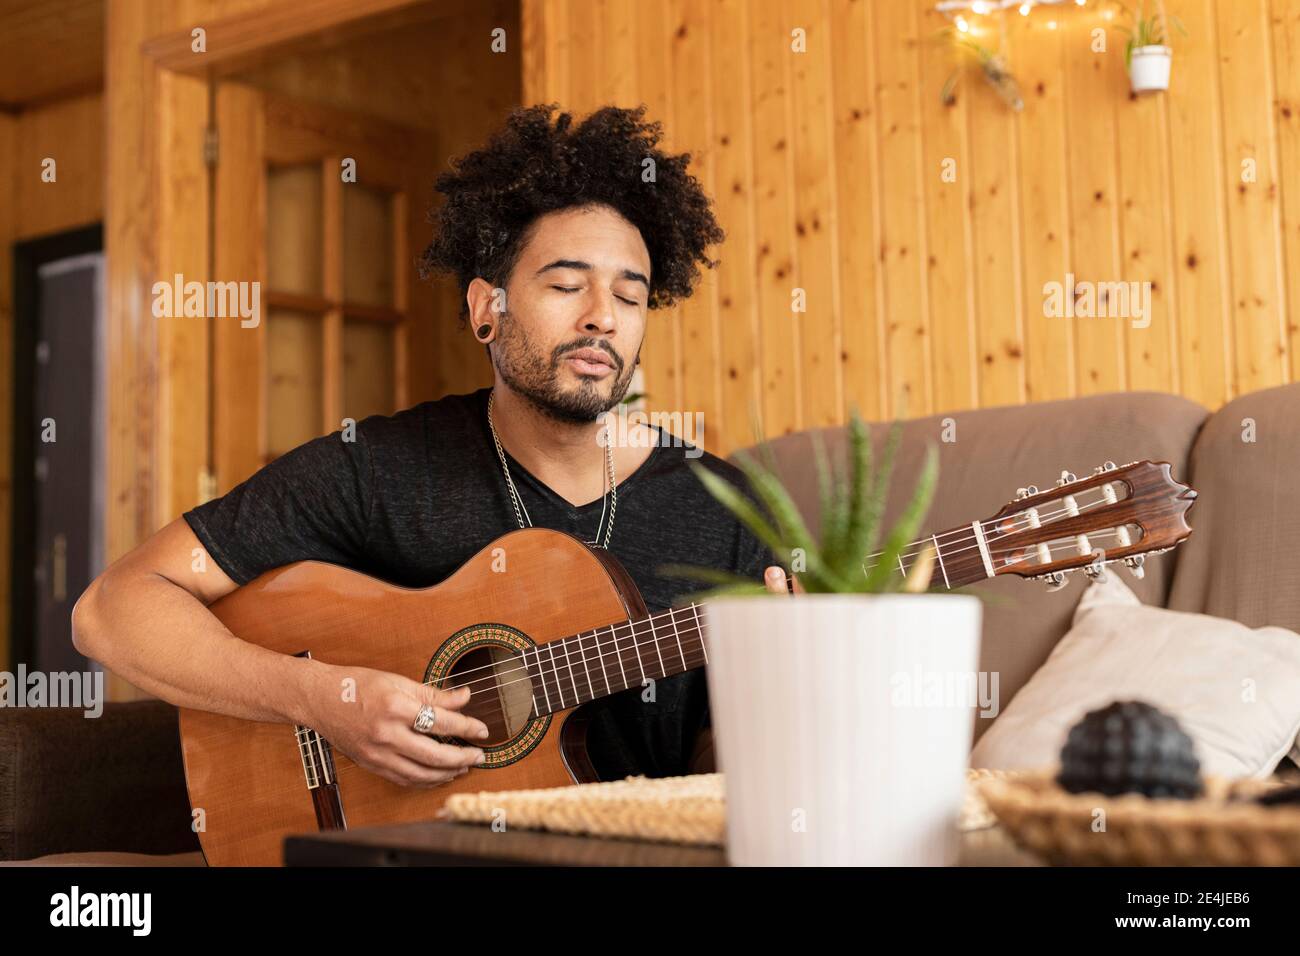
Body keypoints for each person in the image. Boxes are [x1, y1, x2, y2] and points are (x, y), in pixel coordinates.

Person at [73, 103, 800, 790]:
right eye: (567, 284)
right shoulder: (378, 470)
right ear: (488, 307)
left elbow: (724, 776)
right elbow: (111, 609)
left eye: (630, 297)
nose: (602, 318)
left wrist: (778, 693)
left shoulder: (728, 507)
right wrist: (324, 698)